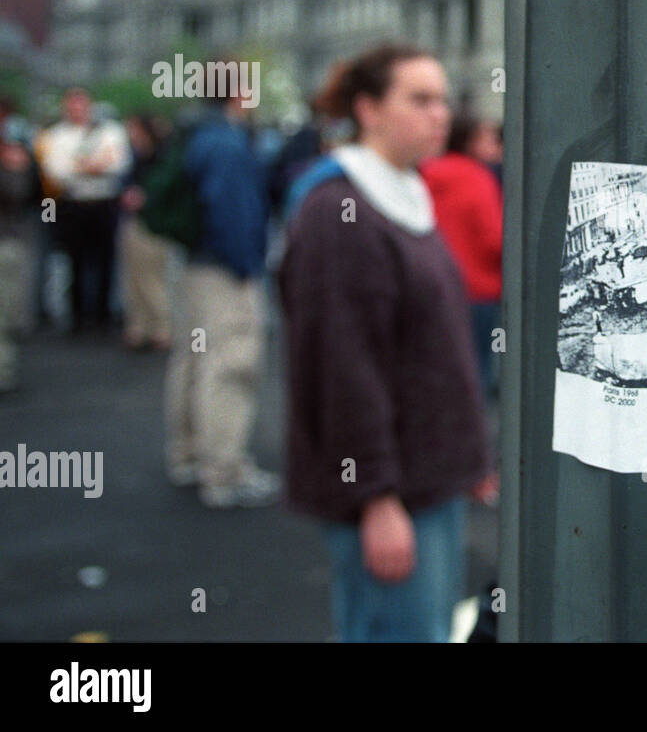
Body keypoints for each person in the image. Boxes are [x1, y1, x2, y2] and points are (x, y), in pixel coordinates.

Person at [279, 44, 493, 642]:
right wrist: (372, 498)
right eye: (419, 99)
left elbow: (432, 346)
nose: (440, 114)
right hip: (390, 489)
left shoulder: (402, 190)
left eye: (443, 99)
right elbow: (342, 369)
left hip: (426, 476)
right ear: (368, 109)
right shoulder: (340, 208)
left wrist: (465, 454)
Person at [162, 69, 279, 508]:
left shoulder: (196, 134)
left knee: (191, 359)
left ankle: (188, 453)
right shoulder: (228, 142)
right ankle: (224, 470)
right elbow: (233, 211)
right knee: (230, 364)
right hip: (224, 269)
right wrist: (247, 264)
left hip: (194, 263)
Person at [419, 114, 504, 400]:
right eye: (488, 139)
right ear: (469, 141)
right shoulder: (478, 177)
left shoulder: (425, 173)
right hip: (478, 291)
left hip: (434, 287)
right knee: (475, 371)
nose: (496, 145)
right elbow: (494, 238)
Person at [38, 89, 130, 331]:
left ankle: (102, 315)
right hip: (74, 204)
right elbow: (55, 170)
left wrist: (82, 166)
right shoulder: (57, 135)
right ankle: (77, 315)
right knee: (74, 260)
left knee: (105, 260)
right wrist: (94, 166)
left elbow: (119, 163)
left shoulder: (110, 131)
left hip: (104, 202)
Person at [118, 115, 173, 351]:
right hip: (135, 220)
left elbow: (165, 189)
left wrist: (144, 199)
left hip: (151, 223)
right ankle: (139, 326)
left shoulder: (160, 157)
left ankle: (161, 326)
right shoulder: (135, 156)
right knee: (133, 277)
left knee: (151, 277)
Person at [0, 93, 41, 392]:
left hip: (9, 239)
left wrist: (19, 169)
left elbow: (28, 194)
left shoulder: (16, 155)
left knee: (6, 314)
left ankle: (4, 373)